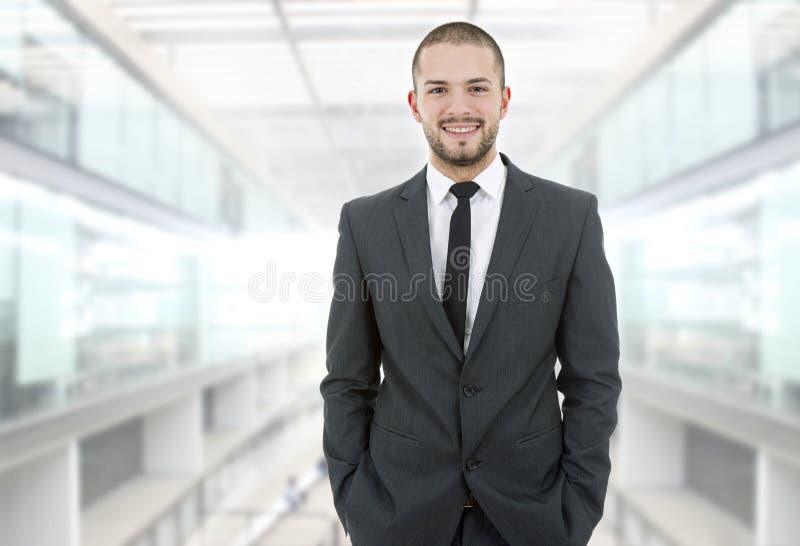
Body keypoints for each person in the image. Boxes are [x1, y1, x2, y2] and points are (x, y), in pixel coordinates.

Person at [320, 21, 621, 546]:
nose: (459, 108)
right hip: (397, 518)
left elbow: (592, 379)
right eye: (438, 89)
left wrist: (578, 505)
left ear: (503, 99)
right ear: (415, 104)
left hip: (533, 519)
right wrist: (354, 499)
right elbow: (348, 379)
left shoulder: (569, 218)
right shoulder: (365, 224)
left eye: (477, 88)